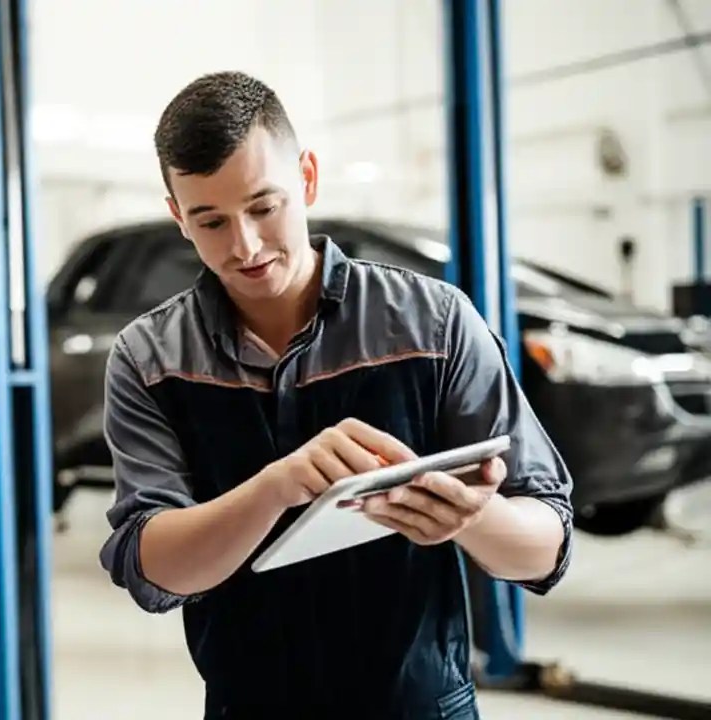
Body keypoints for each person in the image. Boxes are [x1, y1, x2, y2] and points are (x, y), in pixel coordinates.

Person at [98, 71, 574, 718]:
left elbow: (544, 543)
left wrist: (471, 519)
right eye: (211, 221)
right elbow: (155, 572)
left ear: (309, 177)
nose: (245, 246)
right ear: (178, 215)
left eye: (265, 207)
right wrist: (276, 489)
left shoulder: (432, 325)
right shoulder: (150, 360)